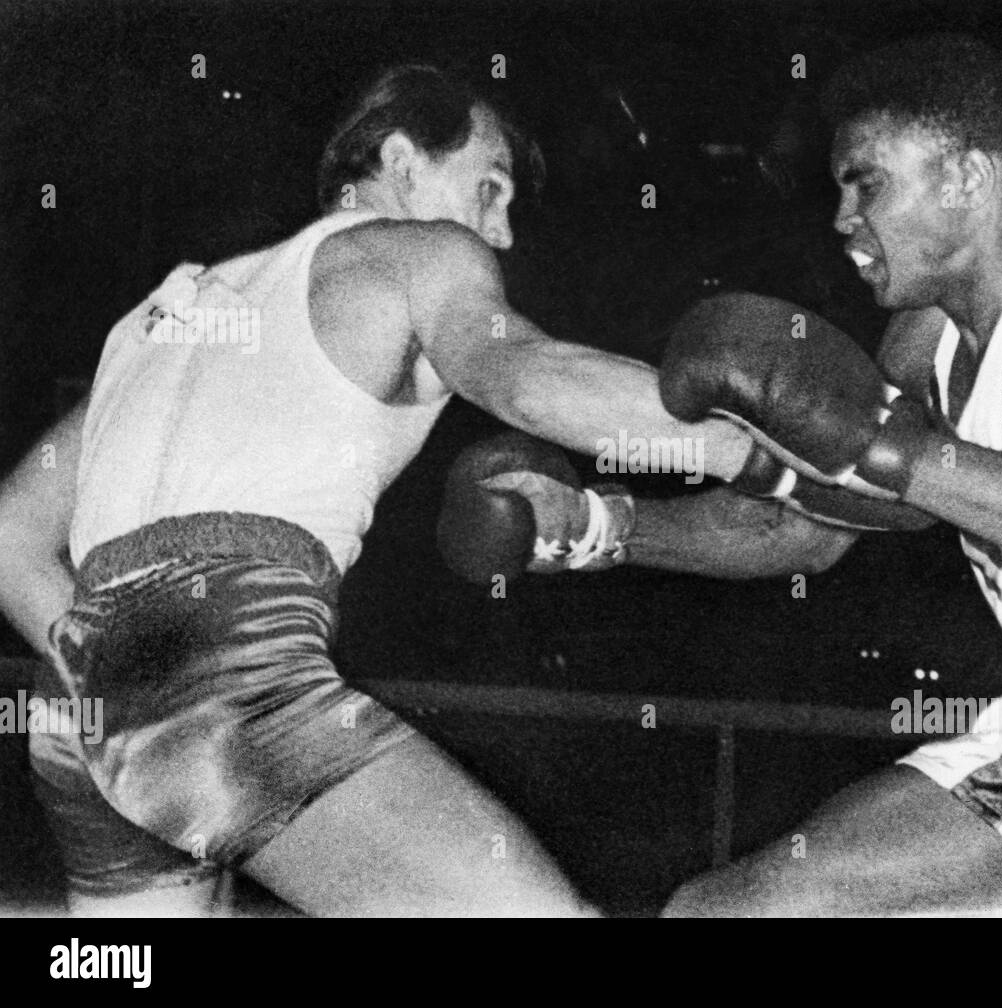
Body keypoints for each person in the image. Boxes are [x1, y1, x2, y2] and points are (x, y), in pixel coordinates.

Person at [449, 34, 1002, 916]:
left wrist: (898, 450)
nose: (843, 215)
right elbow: (803, 532)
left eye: (868, 181)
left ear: (967, 177)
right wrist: (592, 526)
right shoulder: (922, 348)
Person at [0, 62, 853, 917]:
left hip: (75, 714)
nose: (503, 232)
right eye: (488, 188)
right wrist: (764, 449)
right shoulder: (421, 256)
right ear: (402, 161)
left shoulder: (161, 317)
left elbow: (9, 534)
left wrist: (119, 673)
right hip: (230, 677)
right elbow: (524, 377)